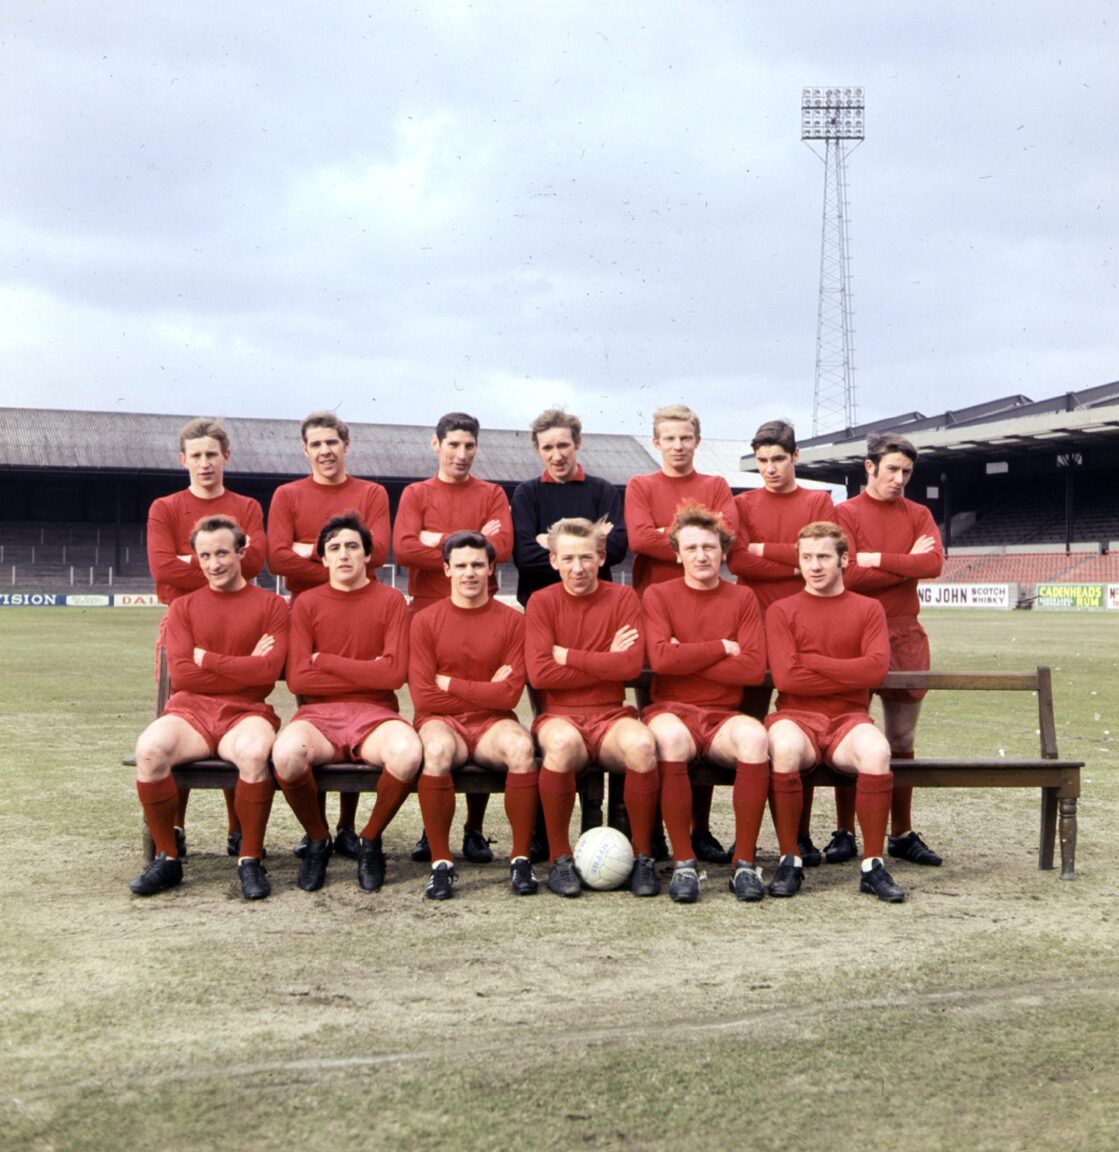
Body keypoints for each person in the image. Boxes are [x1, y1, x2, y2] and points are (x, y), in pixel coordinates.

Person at [130, 515, 287, 900]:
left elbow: (265, 675)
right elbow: (184, 675)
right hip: (190, 712)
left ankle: (250, 858)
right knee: (149, 750)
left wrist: (209, 660)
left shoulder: (272, 605)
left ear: (241, 553)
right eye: (205, 556)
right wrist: (244, 664)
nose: (214, 564)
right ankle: (168, 858)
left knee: (255, 753)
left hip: (246, 712)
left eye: (222, 553)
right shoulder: (183, 608)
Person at [271, 514, 422, 894]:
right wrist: (369, 669)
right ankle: (318, 839)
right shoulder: (306, 603)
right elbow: (299, 679)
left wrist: (325, 661)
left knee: (407, 753)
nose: (343, 554)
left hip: (375, 715)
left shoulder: (391, 600)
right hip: (318, 716)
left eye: (353, 546)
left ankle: (370, 839)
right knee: (287, 755)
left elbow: (392, 676)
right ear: (323, 558)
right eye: (334, 548)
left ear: (368, 555)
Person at [267, 411, 392, 860]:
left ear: (346, 444)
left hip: (359, 608)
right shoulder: (287, 495)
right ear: (305, 450)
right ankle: (316, 826)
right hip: (308, 611)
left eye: (332, 442)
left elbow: (379, 552)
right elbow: (277, 558)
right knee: (316, 711)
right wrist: (336, 571)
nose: (325, 451)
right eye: (316, 444)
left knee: (358, 705)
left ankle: (347, 826)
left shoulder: (371, 493)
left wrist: (311, 551)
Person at [393, 412, 514, 864]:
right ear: (436, 445)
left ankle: (475, 829)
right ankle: (434, 830)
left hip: (482, 614)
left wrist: (435, 538)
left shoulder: (492, 493)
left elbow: (503, 548)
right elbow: (404, 548)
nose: (461, 454)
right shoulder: (416, 493)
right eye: (453, 445)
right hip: (430, 610)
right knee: (435, 719)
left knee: (486, 711)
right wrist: (473, 538)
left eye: (469, 446)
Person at [764, 521, 905, 903]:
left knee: (877, 751)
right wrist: (846, 671)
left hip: (849, 719)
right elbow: (787, 679)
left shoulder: (868, 608)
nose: (814, 565)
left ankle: (872, 866)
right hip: (795, 716)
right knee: (784, 748)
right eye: (807, 557)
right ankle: (790, 858)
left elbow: (874, 671)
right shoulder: (781, 610)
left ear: (844, 559)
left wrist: (812, 661)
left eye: (824, 557)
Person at [146, 417, 267, 858]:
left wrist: (190, 560)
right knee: (181, 721)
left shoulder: (247, 506)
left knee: (236, 716)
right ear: (183, 460)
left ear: (226, 457)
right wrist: (223, 563)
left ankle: (238, 829)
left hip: (240, 622)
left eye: (212, 454)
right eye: (196, 455)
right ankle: (174, 827)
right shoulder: (165, 507)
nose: (204, 463)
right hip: (184, 625)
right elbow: (162, 568)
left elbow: (255, 564)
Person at [624, 403, 739, 865]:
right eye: (669, 438)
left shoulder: (715, 485)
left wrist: (669, 534)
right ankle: (652, 828)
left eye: (685, 437)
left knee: (709, 717)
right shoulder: (641, 485)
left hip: (708, 608)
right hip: (655, 608)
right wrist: (690, 536)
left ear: (697, 441)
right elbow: (637, 539)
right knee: (658, 722)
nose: (677, 446)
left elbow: (727, 536)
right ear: (656, 442)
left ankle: (699, 828)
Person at [525, 517, 660, 898]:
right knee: (562, 744)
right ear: (553, 560)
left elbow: (628, 667)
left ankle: (644, 856)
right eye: (568, 558)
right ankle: (559, 858)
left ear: (601, 557)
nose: (578, 567)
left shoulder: (623, 599)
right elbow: (541, 674)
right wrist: (604, 658)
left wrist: (567, 655)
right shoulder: (541, 602)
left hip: (610, 714)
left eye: (586, 557)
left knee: (642, 745)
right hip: (558, 715)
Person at [642, 504, 770, 904]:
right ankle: (684, 862)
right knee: (671, 740)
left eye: (710, 547)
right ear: (677, 554)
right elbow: (662, 660)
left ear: (723, 552)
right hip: (671, 709)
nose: (701, 556)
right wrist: (721, 647)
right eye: (692, 548)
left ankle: (744, 863)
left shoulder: (743, 597)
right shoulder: (658, 595)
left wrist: (687, 654)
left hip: (723, 715)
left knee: (755, 739)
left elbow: (752, 668)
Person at [726, 418, 836, 866]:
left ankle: (800, 835)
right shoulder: (742, 503)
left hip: (803, 625)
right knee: (749, 736)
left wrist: (763, 551)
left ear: (795, 457)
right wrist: (792, 561)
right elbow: (737, 561)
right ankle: (745, 838)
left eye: (777, 459)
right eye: (762, 461)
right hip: (752, 626)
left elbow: (820, 554)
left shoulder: (818, 501)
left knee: (799, 733)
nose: (770, 468)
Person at [409, 531, 540, 899]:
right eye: (462, 565)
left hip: (492, 723)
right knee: (436, 750)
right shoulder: (425, 620)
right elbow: (423, 695)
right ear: (446, 569)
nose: (470, 573)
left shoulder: (513, 621)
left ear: (491, 568)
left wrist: (450, 683)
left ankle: (520, 859)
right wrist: (485, 690)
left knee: (521, 748)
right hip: (440, 721)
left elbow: (509, 694)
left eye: (478, 565)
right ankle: (441, 862)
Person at [836, 432, 946, 868]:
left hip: (905, 634)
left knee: (900, 738)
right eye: (892, 470)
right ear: (870, 467)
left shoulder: (918, 514)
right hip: (853, 632)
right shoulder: (844, 513)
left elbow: (932, 564)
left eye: (906, 472)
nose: (899, 479)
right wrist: (903, 562)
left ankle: (900, 832)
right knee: (850, 733)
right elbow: (848, 576)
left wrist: (875, 558)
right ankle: (844, 832)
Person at [511, 408, 627, 606]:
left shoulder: (603, 491)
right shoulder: (526, 494)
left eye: (563, 445)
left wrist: (550, 542)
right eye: (548, 448)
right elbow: (524, 556)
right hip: (542, 605)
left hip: (597, 604)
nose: (557, 456)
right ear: (537, 449)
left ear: (577, 443)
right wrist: (592, 542)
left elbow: (616, 549)